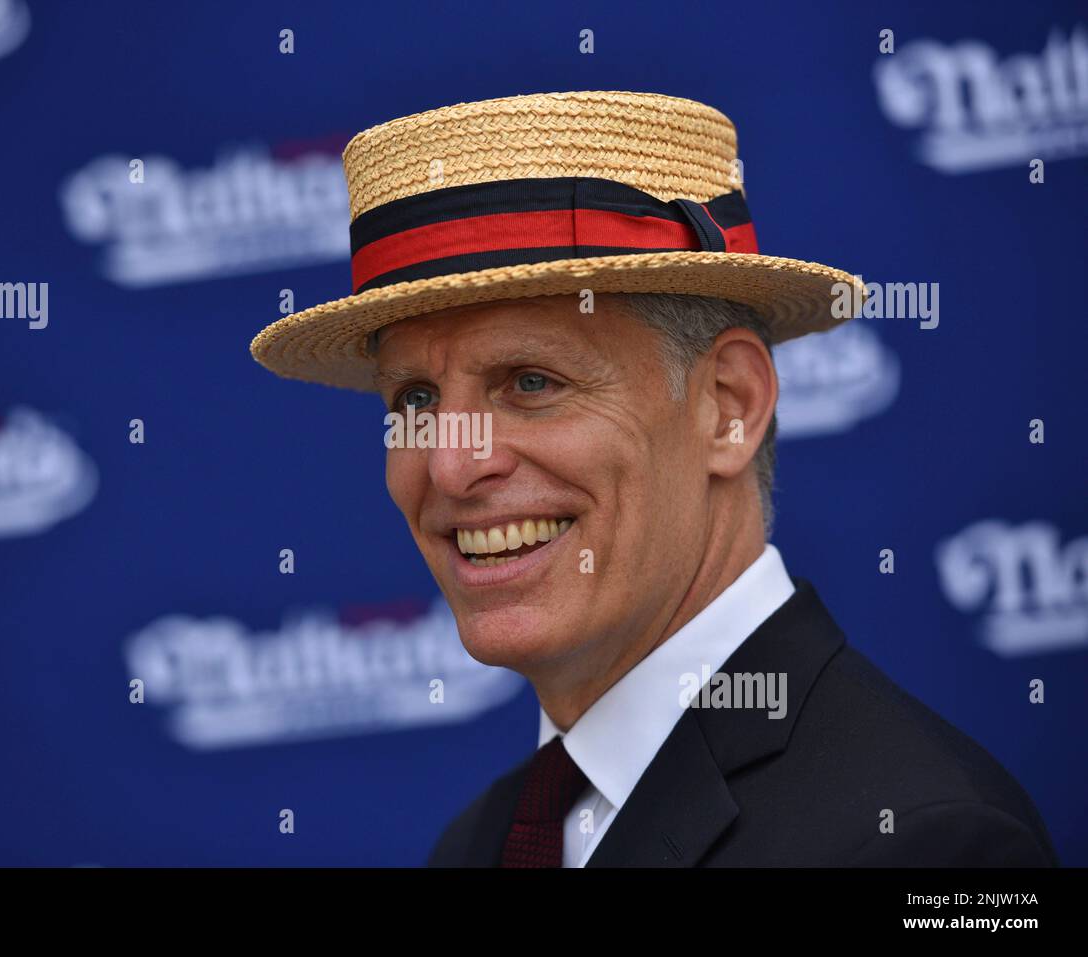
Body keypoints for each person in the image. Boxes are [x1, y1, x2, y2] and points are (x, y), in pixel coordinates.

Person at [250, 91, 1058, 867]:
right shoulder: (479, 843)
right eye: (416, 398)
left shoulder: (927, 843)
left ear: (727, 407)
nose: (454, 463)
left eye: (531, 382)